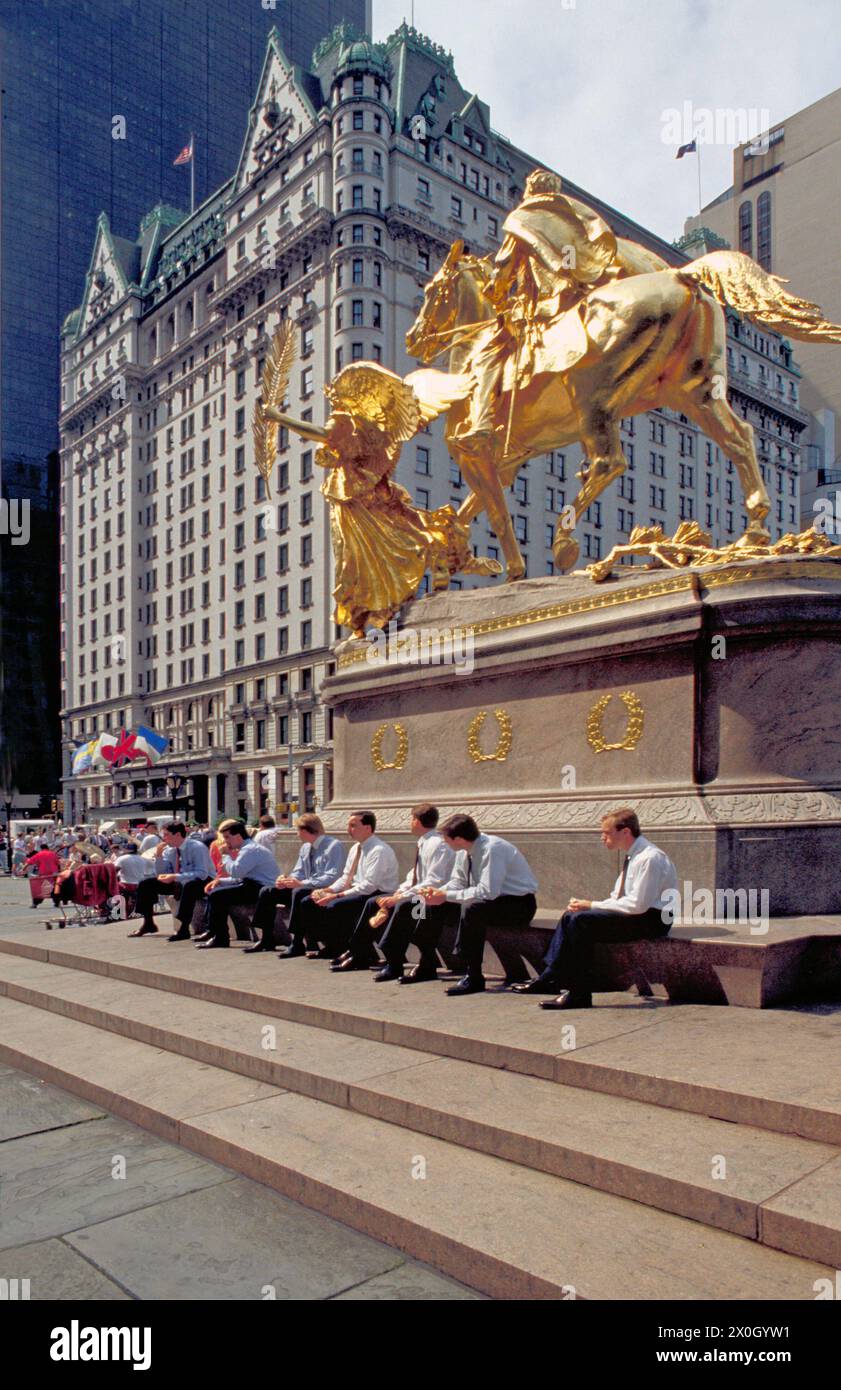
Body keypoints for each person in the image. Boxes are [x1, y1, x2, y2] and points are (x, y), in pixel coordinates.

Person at [512, 806, 678, 1010]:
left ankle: (578, 993)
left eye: (606, 833)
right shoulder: (634, 855)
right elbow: (618, 898)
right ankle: (549, 978)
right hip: (639, 914)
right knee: (571, 916)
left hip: (655, 919)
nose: (602, 837)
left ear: (625, 832)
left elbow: (638, 904)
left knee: (581, 922)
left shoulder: (650, 858)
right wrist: (586, 905)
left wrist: (591, 905)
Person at [333, 804, 455, 980]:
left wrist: (400, 897)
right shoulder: (425, 842)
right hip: (419, 896)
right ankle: (359, 950)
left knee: (406, 909)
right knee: (373, 902)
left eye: (412, 818)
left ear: (418, 821)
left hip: (431, 900)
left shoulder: (437, 845)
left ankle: (398, 962)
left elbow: (434, 880)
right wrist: (399, 892)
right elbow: (414, 875)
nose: (410, 823)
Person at [422, 814, 538, 996]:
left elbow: (488, 892)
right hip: (490, 902)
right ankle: (426, 962)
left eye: (446, 839)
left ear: (458, 839)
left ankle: (473, 974)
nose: (444, 843)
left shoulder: (492, 849)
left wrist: (446, 895)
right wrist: (438, 893)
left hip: (517, 905)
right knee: (429, 906)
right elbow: (457, 882)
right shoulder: (463, 852)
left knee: (472, 908)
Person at [292, 811, 399, 961]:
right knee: (308, 902)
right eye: (348, 825)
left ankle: (353, 949)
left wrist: (336, 895)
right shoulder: (356, 848)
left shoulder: (379, 850)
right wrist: (326, 890)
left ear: (368, 828)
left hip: (377, 893)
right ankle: (331, 945)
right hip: (358, 891)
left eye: (353, 825)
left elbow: (369, 885)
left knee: (335, 906)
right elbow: (346, 877)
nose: (348, 829)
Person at [248, 813, 345, 954]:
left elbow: (332, 876)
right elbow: (298, 871)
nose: (297, 835)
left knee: (298, 892)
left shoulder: (333, 846)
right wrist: (286, 880)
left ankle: (297, 942)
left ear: (306, 830)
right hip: (303, 886)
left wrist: (300, 883)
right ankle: (266, 938)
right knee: (268, 891)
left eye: (298, 831)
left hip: (323, 889)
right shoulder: (305, 847)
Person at [200, 819, 281, 949]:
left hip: (261, 887)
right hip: (254, 885)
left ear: (238, 836)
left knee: (217, 896)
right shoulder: (247, 848)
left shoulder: (250, 849)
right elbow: (242, 877)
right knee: (216, 893)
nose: (225, 841)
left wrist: (225, 855)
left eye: (227, 837)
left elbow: (236, 872)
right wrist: (220, 881)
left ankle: (219, 937)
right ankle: (216, 934)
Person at [128, 822, 208, 938]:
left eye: (166, 835)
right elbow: (161, 874)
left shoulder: (197, 847)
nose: (163, 838)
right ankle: (148, 923)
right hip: (178, 882)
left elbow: (202, 873)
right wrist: (159, 855)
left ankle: (184, 928)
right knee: (146, 884)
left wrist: (176, 877)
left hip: (201, 882)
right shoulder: (170, 850)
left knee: (189, 886)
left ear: (178, 834)